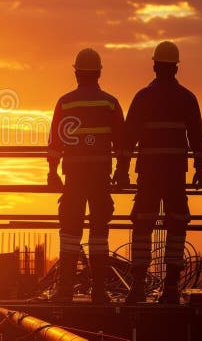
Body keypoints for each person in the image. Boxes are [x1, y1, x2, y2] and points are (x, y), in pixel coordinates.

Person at [122, 41, 202, 304]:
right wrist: (199, 168)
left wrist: (121, 171)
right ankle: (170, 287)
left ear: (155, 65)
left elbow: (127, 138)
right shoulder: (187, 98)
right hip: (175, 175)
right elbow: (197, 137)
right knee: (177, 224)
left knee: (143, 225)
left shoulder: (142, 97)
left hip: (148, 174)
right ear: (176, 67)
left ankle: (137, 287)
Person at [47, 48, 130, 303]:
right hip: (99, 179)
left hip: (74, 179)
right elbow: (123, 144)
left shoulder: (65, 103)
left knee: (70, 234)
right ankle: (99, 291)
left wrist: (52, 173)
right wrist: (122, 173)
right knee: (99, 235)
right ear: (99, 72)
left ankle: (64, 291)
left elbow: (54, 143)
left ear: (76, 73)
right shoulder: (110, 103)